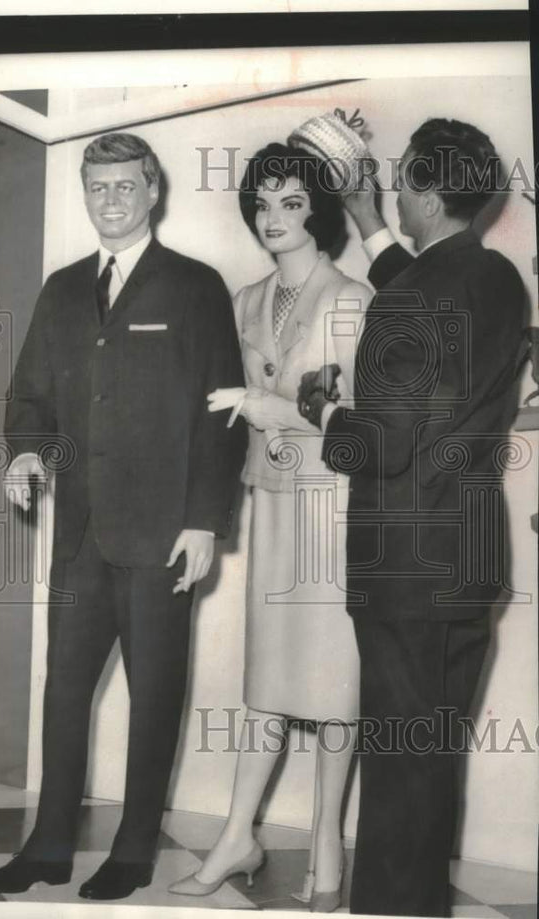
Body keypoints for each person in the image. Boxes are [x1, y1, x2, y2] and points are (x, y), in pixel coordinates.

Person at [0, 132, 247, 901]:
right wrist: (27, 454)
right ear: (86, 192)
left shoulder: (196, 286)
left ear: (153, 189)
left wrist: (205, 521)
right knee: (64, 688)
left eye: (126, 186)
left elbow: (221, 414)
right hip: (80, 536)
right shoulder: (61, 289)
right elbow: (29, 397)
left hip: (165, 532)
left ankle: (132, 851)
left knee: (155, 689)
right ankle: (50, 844)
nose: (111, 200)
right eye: (97, 187)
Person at [298, 118, 526, 917]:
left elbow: (383, 445)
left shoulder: (407, 305)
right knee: (432, 759)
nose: (394, 190)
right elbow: (426, 286)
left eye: (402, 182)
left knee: (398, 776)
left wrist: (325, 413)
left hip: (404, 571)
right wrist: (369, 223)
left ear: (427, 193)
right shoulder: (500, 281)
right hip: (466, 562)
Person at [169, 142, 372, 911]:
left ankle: (326, 848)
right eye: (261, 204)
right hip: (272, 501)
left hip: (334, 504)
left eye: (290, 202)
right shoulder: (245, 301)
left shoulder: (353, 297)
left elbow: (362, 422)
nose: (273, 218)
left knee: (334, 689)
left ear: (318, 209)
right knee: (265, 686)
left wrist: (273, 409)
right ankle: (236, 836)